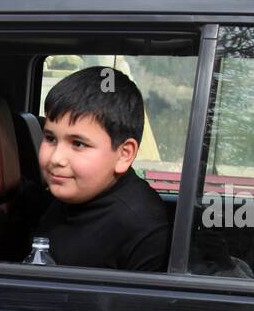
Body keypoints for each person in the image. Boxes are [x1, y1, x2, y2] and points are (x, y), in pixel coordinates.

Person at [33, 66, 170, 273]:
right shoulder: (59, 196)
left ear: (124, 154)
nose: (56, 158)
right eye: (50, 138)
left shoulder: (141, 227)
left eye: (78, 144)